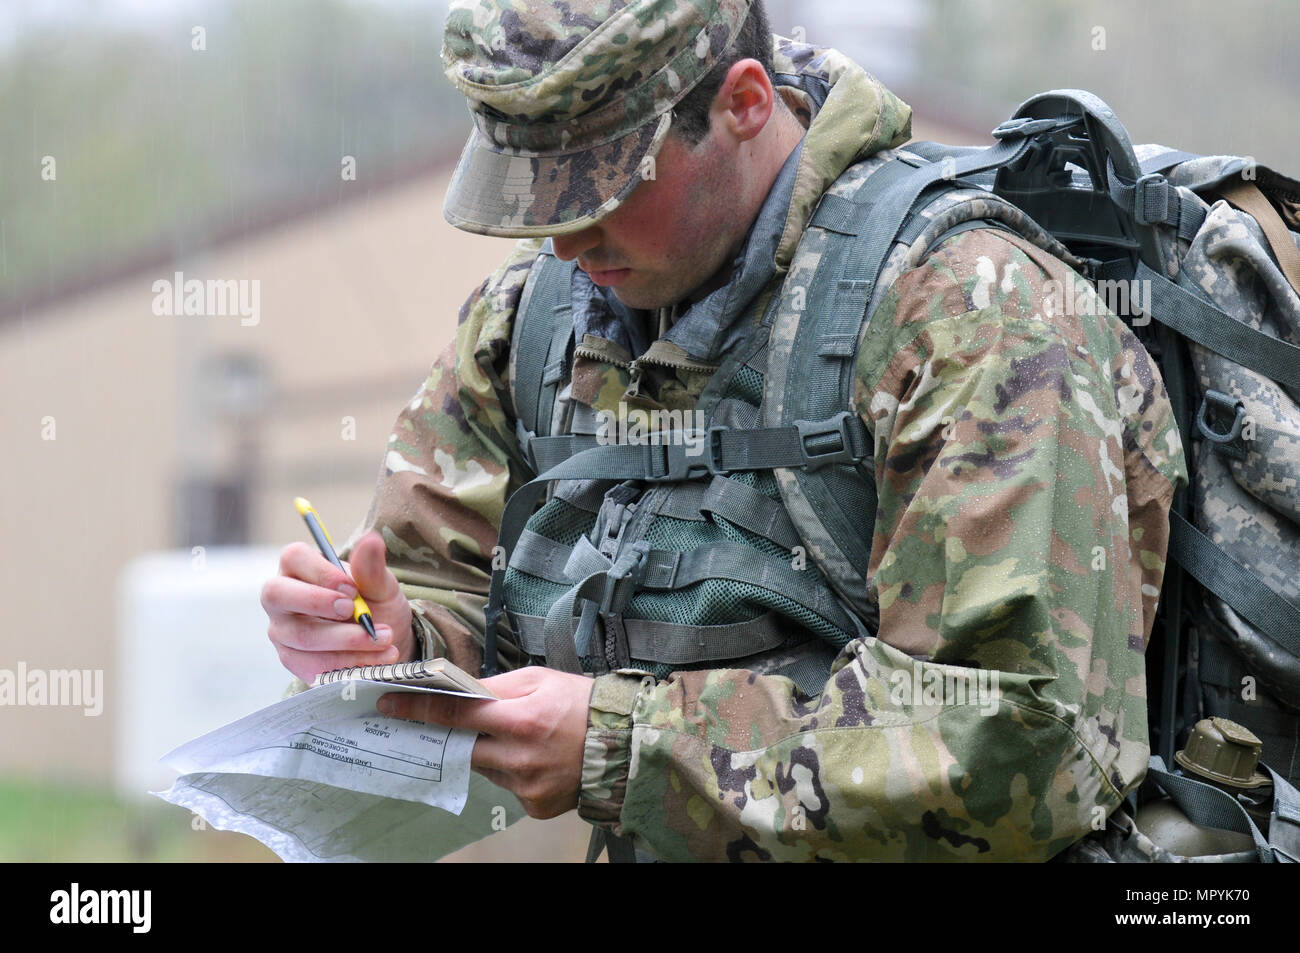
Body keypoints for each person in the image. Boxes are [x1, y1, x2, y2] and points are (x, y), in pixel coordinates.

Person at [262, 0, 1187, 861]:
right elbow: (446, 586)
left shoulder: (971, 312)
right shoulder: (532, 322)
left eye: (601, 185)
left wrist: (630, 749)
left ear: (745, 103)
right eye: (536, 197)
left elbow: (1028, 737)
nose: (565, 242)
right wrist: (397, 646)